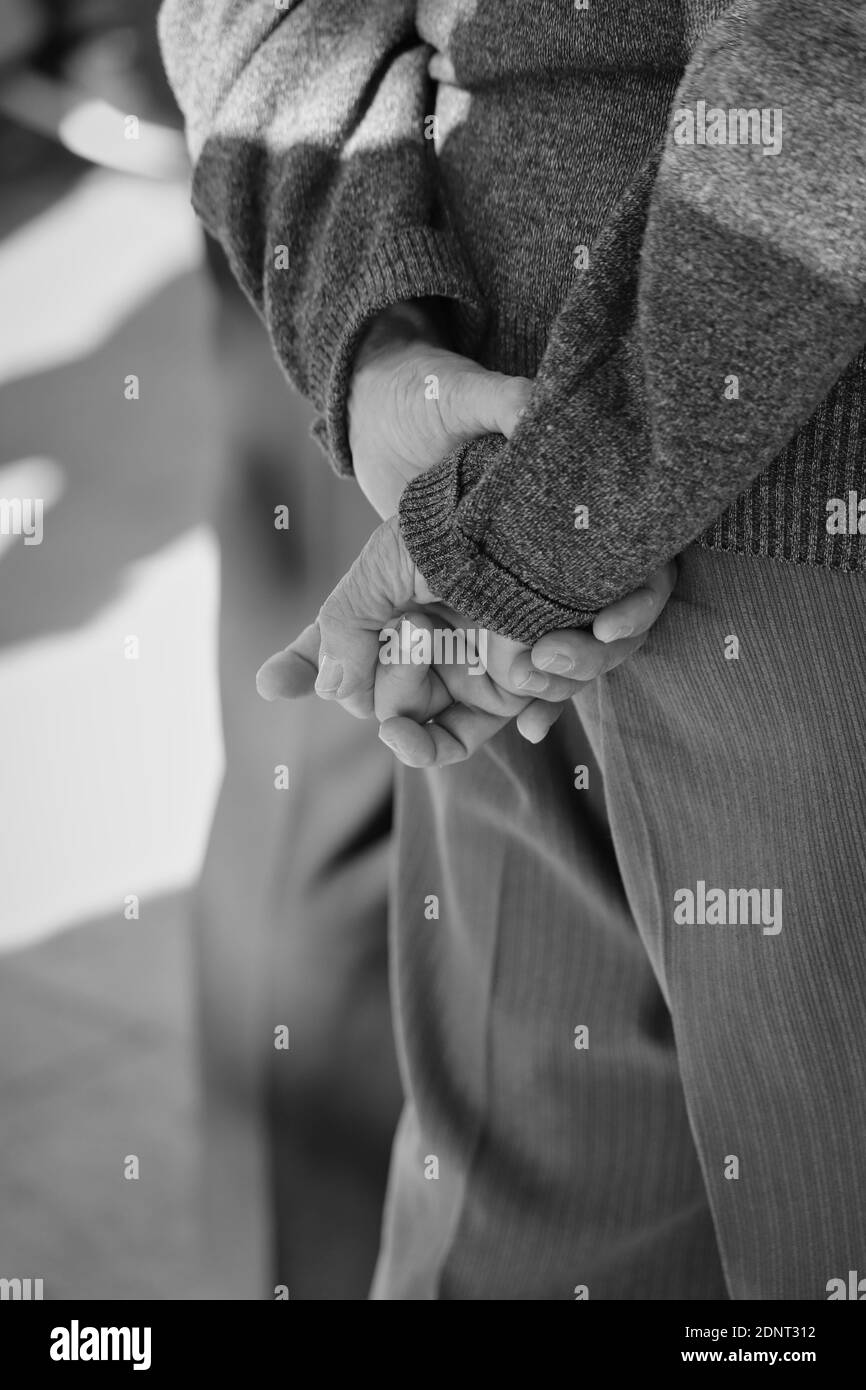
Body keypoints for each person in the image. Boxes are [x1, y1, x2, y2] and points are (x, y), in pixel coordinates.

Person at [160, 0, 866, 1299]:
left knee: (521, 1239)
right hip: (726, 513)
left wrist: (387, 371)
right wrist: (398, 389)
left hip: (506, 483)